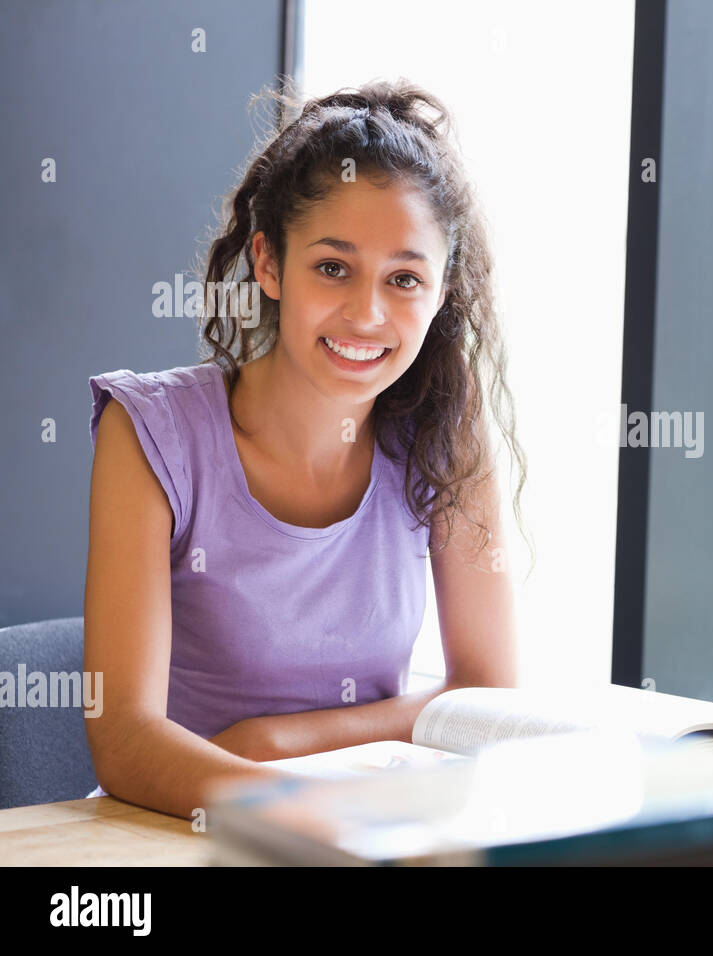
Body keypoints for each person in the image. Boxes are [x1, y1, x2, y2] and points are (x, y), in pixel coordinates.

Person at [83, 79, 527, 820]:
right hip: (177, 831)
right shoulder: (152, 431)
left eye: (405, 279)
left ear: (442, 289)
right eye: (332, 267)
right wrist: (298, 809)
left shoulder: (443, 425)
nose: (367, 313)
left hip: (358, 828)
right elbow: (125, 739)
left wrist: (275, 743)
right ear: (267, 263)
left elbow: (486, 698)